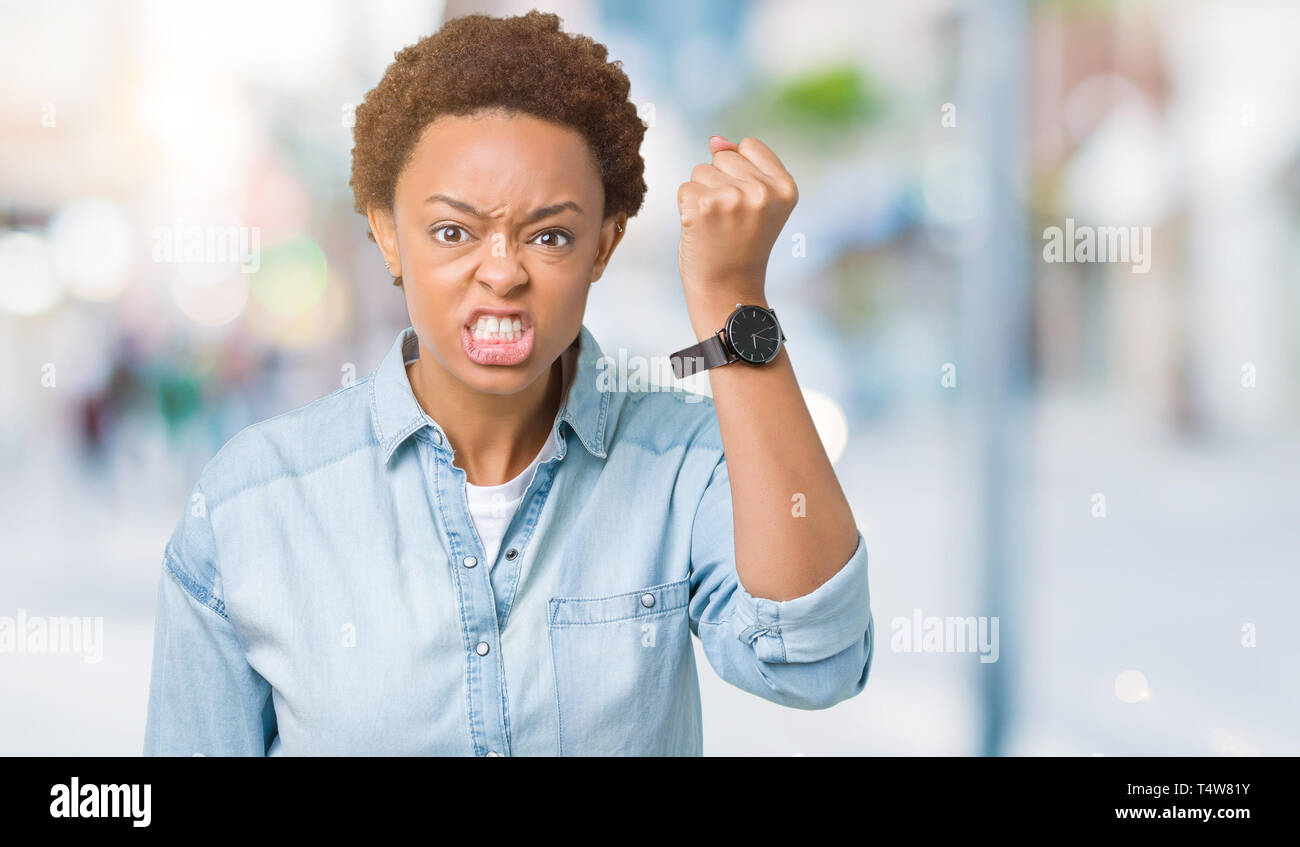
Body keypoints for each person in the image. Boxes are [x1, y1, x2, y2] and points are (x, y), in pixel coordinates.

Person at [144, 9, 873, 756]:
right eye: (453, 231)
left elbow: (814, 658)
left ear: (604, 243)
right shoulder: (252, 502)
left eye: (551, 234)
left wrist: (733, 300)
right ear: (389, 234)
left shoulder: (683, 462)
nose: (502, 271)